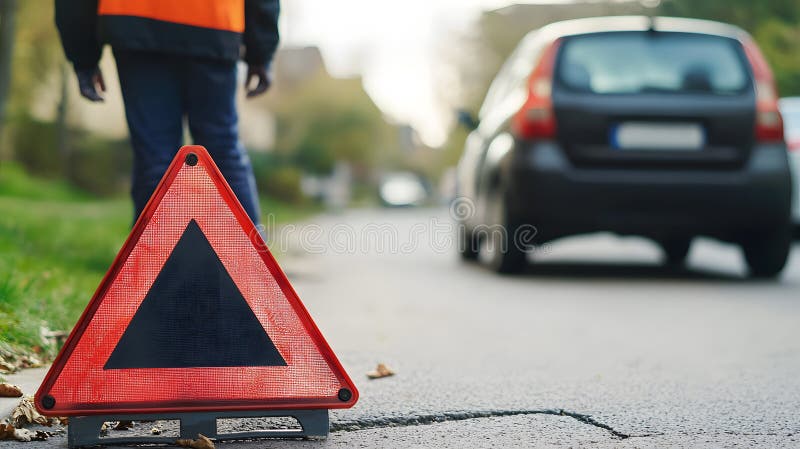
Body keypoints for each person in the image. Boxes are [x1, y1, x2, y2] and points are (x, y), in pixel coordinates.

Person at [54, 0, 280, 224]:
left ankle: (159, 248)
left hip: (136, 21)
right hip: (213, 20)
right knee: (222, 152)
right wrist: (262, 49)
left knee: (156, 160)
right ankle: (244, 249)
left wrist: (82, 53)